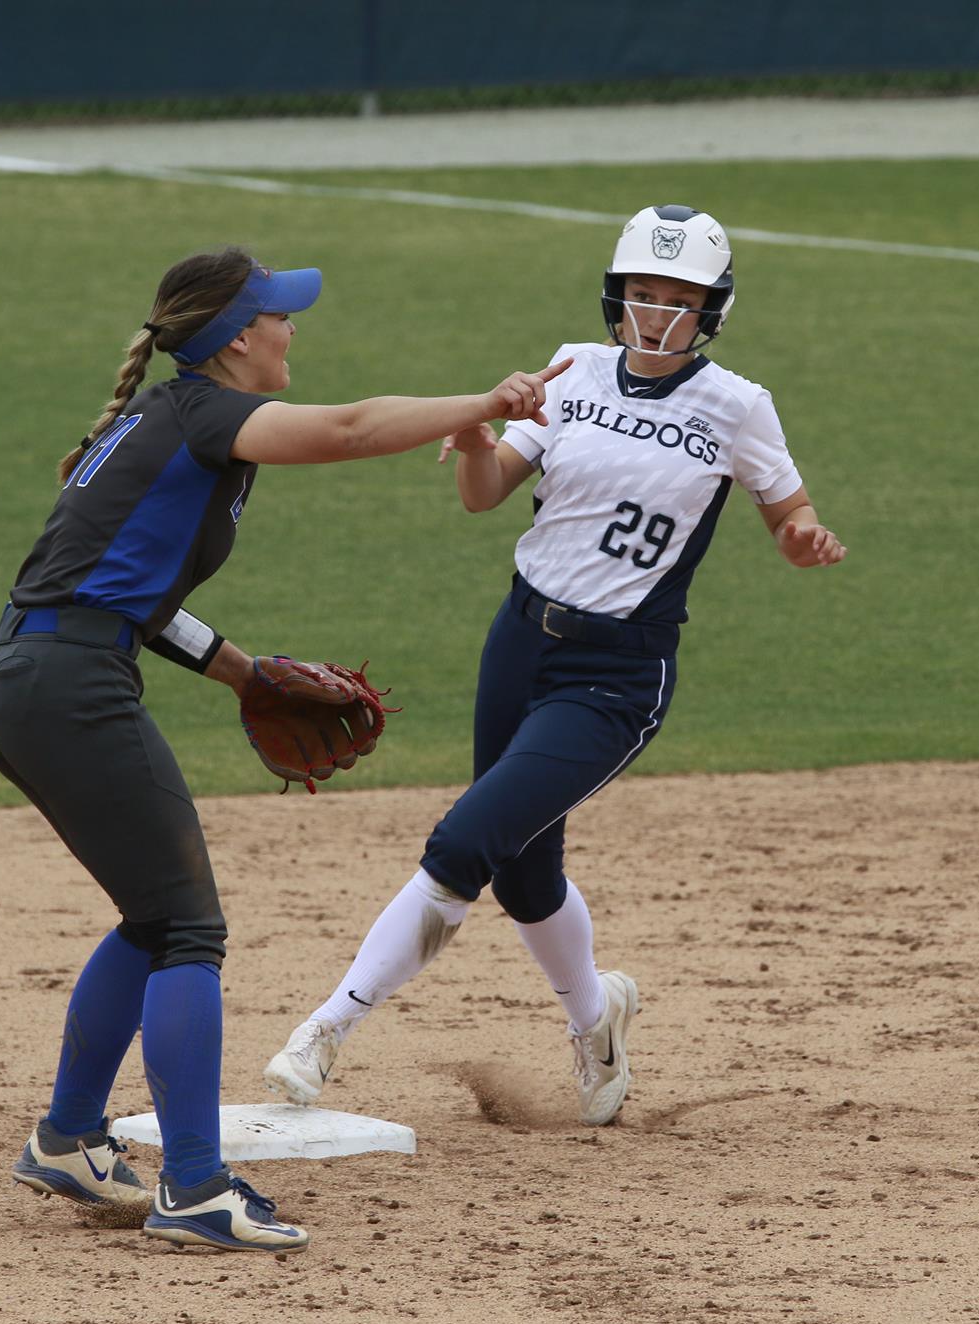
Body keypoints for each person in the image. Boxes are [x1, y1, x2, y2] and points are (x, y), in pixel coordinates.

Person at [0, 245, 566, 1252]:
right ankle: (195, 1187)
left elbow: (127, 599)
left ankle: (70, 1136)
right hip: (66, 688)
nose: (294, 328)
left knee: (153, 916)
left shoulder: (159, 420)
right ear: (236, 339)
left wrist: (245, 672)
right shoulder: (204, 413)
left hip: (31, 676)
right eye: (280, 316)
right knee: (189, 929)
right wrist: (481, 401)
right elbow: (347, 426)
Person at [263, 205, 846, 1126]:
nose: (657, 315)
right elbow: (484, 493)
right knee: (525, 875)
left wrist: (805, 539)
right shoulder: (571, 370)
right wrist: (472, 435)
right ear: (616, 297)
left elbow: (788, 515)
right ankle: (596, 1016)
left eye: (680, 300)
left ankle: (325, 1033)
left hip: (616, 677)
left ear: (714, 310)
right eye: (643, 294)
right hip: (520, 641)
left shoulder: (737, 404)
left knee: (463, 843)